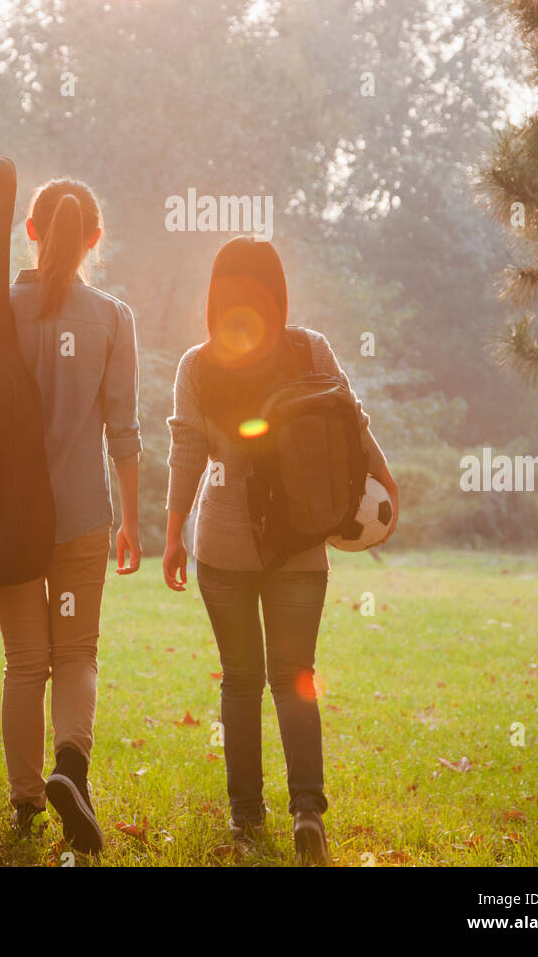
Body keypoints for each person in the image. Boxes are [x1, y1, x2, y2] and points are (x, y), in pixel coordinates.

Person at [162, 236, 398, 865]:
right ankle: (308, 813)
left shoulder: (198, 363)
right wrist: (384, 482)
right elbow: (356, 423)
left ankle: (246, 819)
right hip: (299, 542)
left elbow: (187, 448)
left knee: (240, 681)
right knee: (296, 680)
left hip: (224, 541)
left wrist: (171, 533)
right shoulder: (308, 348)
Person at [0, 178, 142, 854]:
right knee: (77, 652)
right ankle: (70, 768)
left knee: (25, 662)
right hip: (83, 515)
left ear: (30, 229)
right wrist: (131, 520)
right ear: (94, 238)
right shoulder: (112, 317)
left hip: (8, 519)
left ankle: (27, 801)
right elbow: (125, 433)